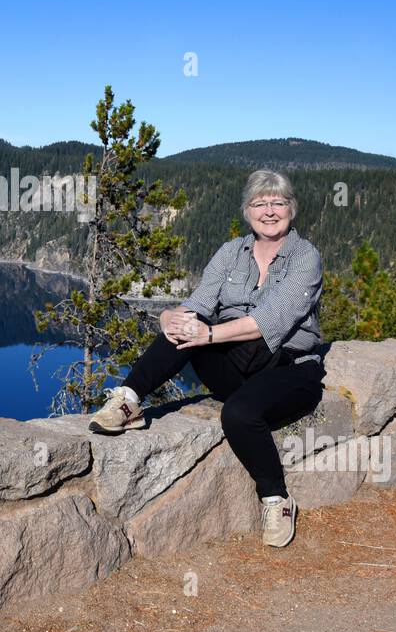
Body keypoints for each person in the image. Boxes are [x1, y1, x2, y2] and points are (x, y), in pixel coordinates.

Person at [88, 169, 326, 547]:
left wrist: (210, 334)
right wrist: (170, 317)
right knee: (182, 329)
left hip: (289, 366)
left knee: (239, 414)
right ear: (247, 211)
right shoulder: (231, 252)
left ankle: (276, 498)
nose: (268, 211)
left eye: (277, 203)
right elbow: (198, 304)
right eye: (259, 203)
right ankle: (130, 400)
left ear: (291, 209)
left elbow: (273, 319)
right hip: (235, 362)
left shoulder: (305, 257)